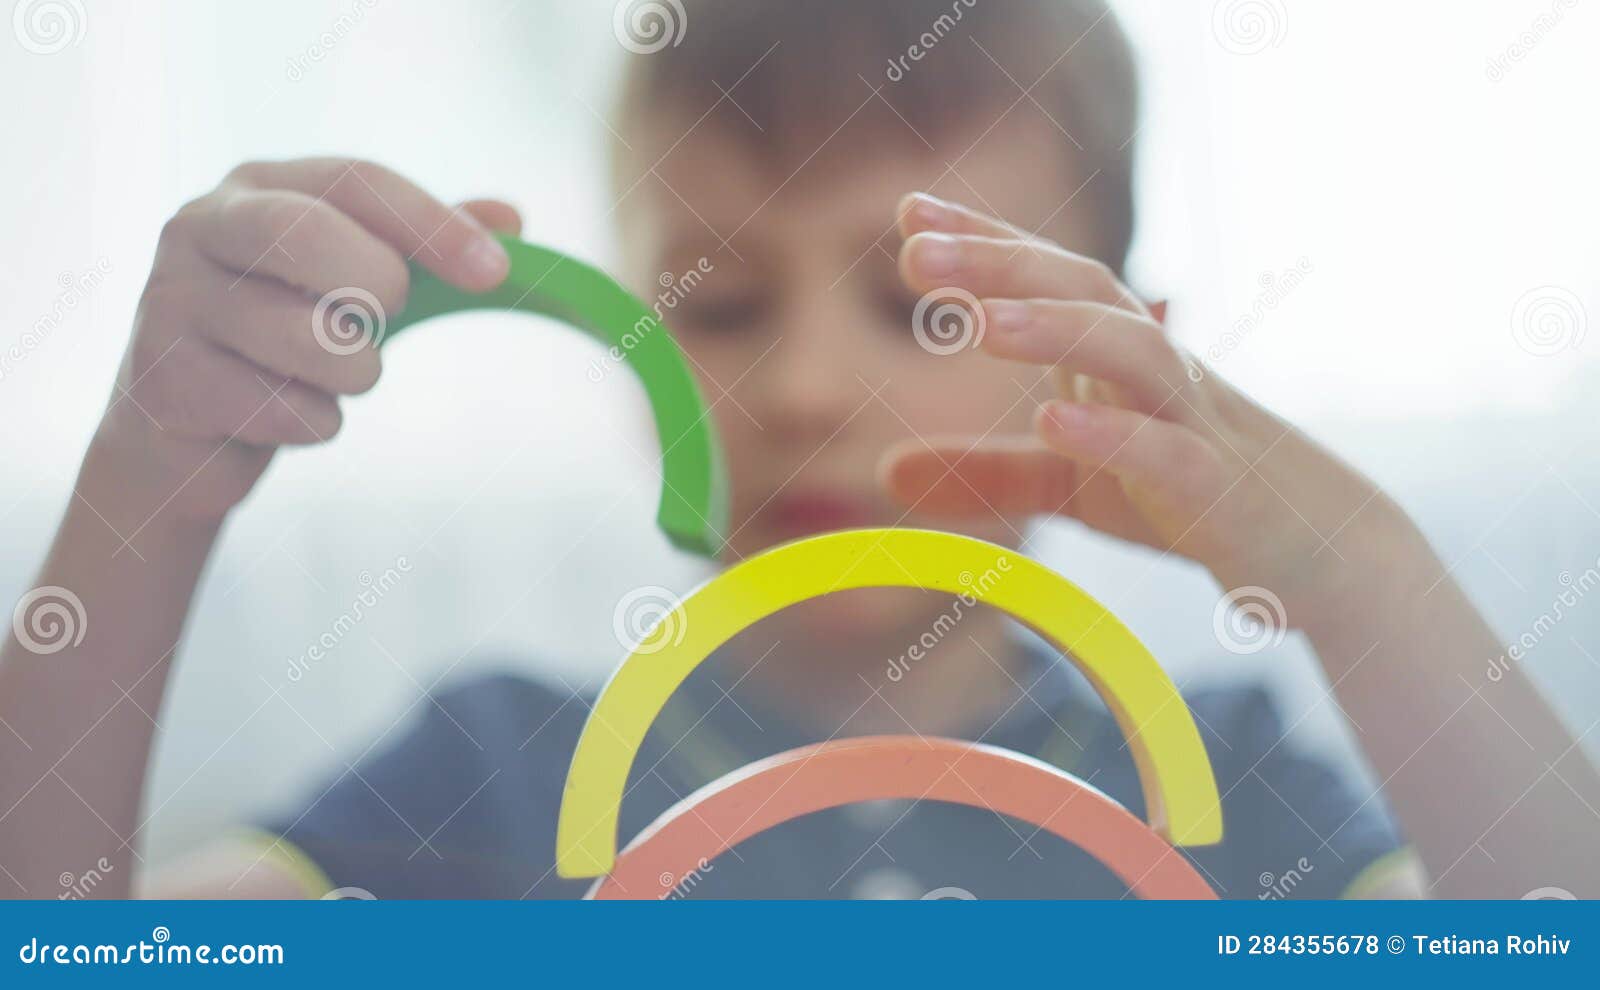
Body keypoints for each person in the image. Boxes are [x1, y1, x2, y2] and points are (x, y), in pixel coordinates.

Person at [2, 0, 1595, 900]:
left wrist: (1364, 573)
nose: (806, 385)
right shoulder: (482, 776)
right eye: (723, 298)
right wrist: (152, 486)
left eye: (930, 313)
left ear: (1121, 357)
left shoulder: (1242, 791)